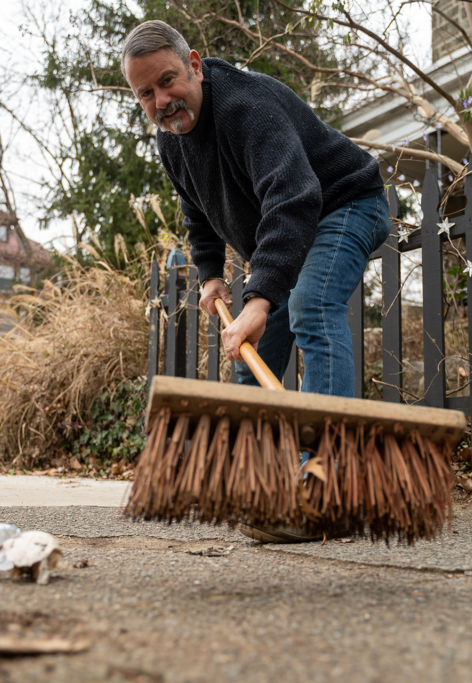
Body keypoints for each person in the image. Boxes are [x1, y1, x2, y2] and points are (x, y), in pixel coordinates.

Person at [122, 20, 391, 542]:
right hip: (291, 230)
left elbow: (293, 197)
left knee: (312, 307)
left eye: (169, 80)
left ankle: (322, 488)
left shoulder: (247, 107)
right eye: (146, 94)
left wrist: (261, 295)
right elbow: (195, 207)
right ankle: (264, 487)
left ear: (195, 65)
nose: (162, 99)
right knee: (255, 351)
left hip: (343, 204)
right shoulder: (171, 140)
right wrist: (210, 274)